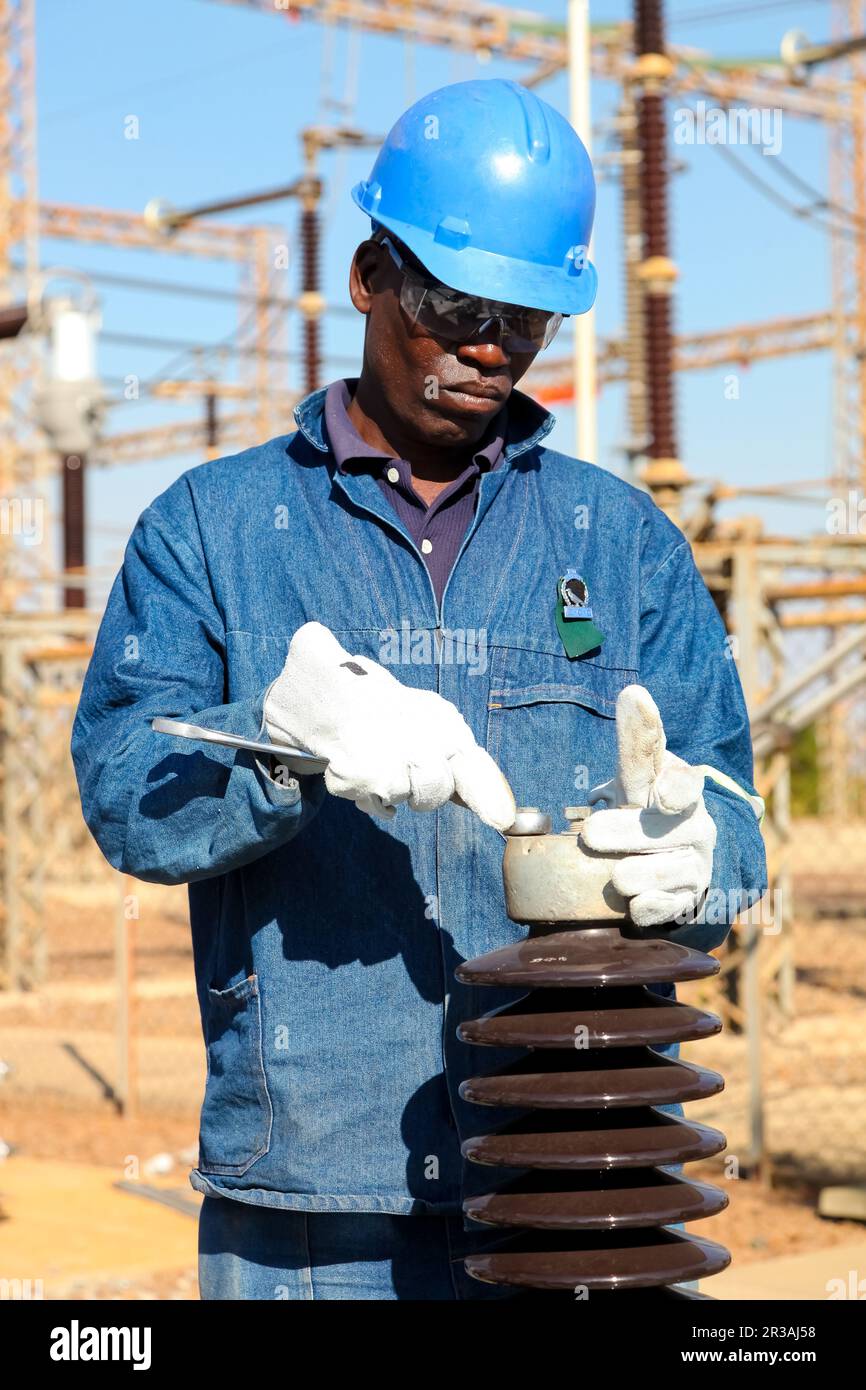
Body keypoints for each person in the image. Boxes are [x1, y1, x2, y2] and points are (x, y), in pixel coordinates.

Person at [71, 78, 766, 1300]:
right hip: (315, 1211)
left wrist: (703, 848)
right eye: (452, 304)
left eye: (526, 317)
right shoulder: (212, 531)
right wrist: (274, 748)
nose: (489, 345)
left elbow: (738, 822)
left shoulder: (620, 543)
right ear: (365, 277)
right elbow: (129, 790)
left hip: (576, 1179)